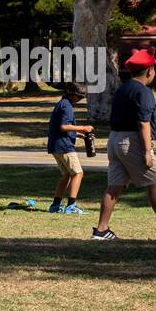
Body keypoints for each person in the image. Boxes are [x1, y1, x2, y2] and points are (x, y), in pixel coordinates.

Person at [93, 50, 156, 241]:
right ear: (150, 70)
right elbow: (143, 123)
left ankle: (102, 230)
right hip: (133, 142)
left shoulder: (123, 89)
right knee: (154, 183)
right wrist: (147, 151)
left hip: (114, 140)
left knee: (114, 186)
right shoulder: (143, 92)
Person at [47, 82, 95, 214]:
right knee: (78, 173)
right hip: (64, 146)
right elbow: (64, 126)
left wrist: (79, 134)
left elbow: (61, 127)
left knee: (67, 175)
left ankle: (55, 205)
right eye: (79, 97)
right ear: (72, 94)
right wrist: (83, 128)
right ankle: (71, 206)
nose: (80, 100)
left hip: (56, 145)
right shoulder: (67, 106)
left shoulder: (62, 103)